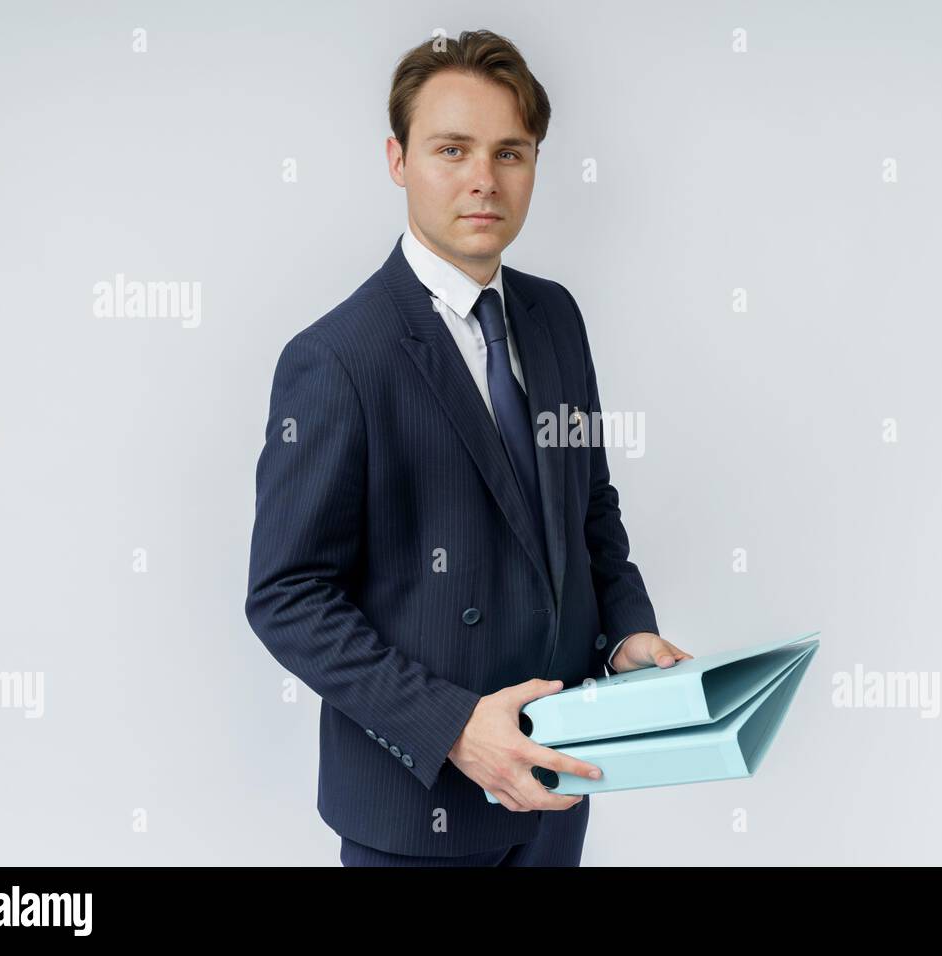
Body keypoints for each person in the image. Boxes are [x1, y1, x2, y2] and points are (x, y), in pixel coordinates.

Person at [244, 29, 691, 867]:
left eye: (510, 152)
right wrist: (452, 727)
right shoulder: (337, 359)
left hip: (559, 789)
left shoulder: (557, 319)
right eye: (452, 149)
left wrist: (627, 632)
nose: (485, 180)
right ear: (397, 159)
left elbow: (588, 509)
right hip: (416, 816)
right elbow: (287, 595)